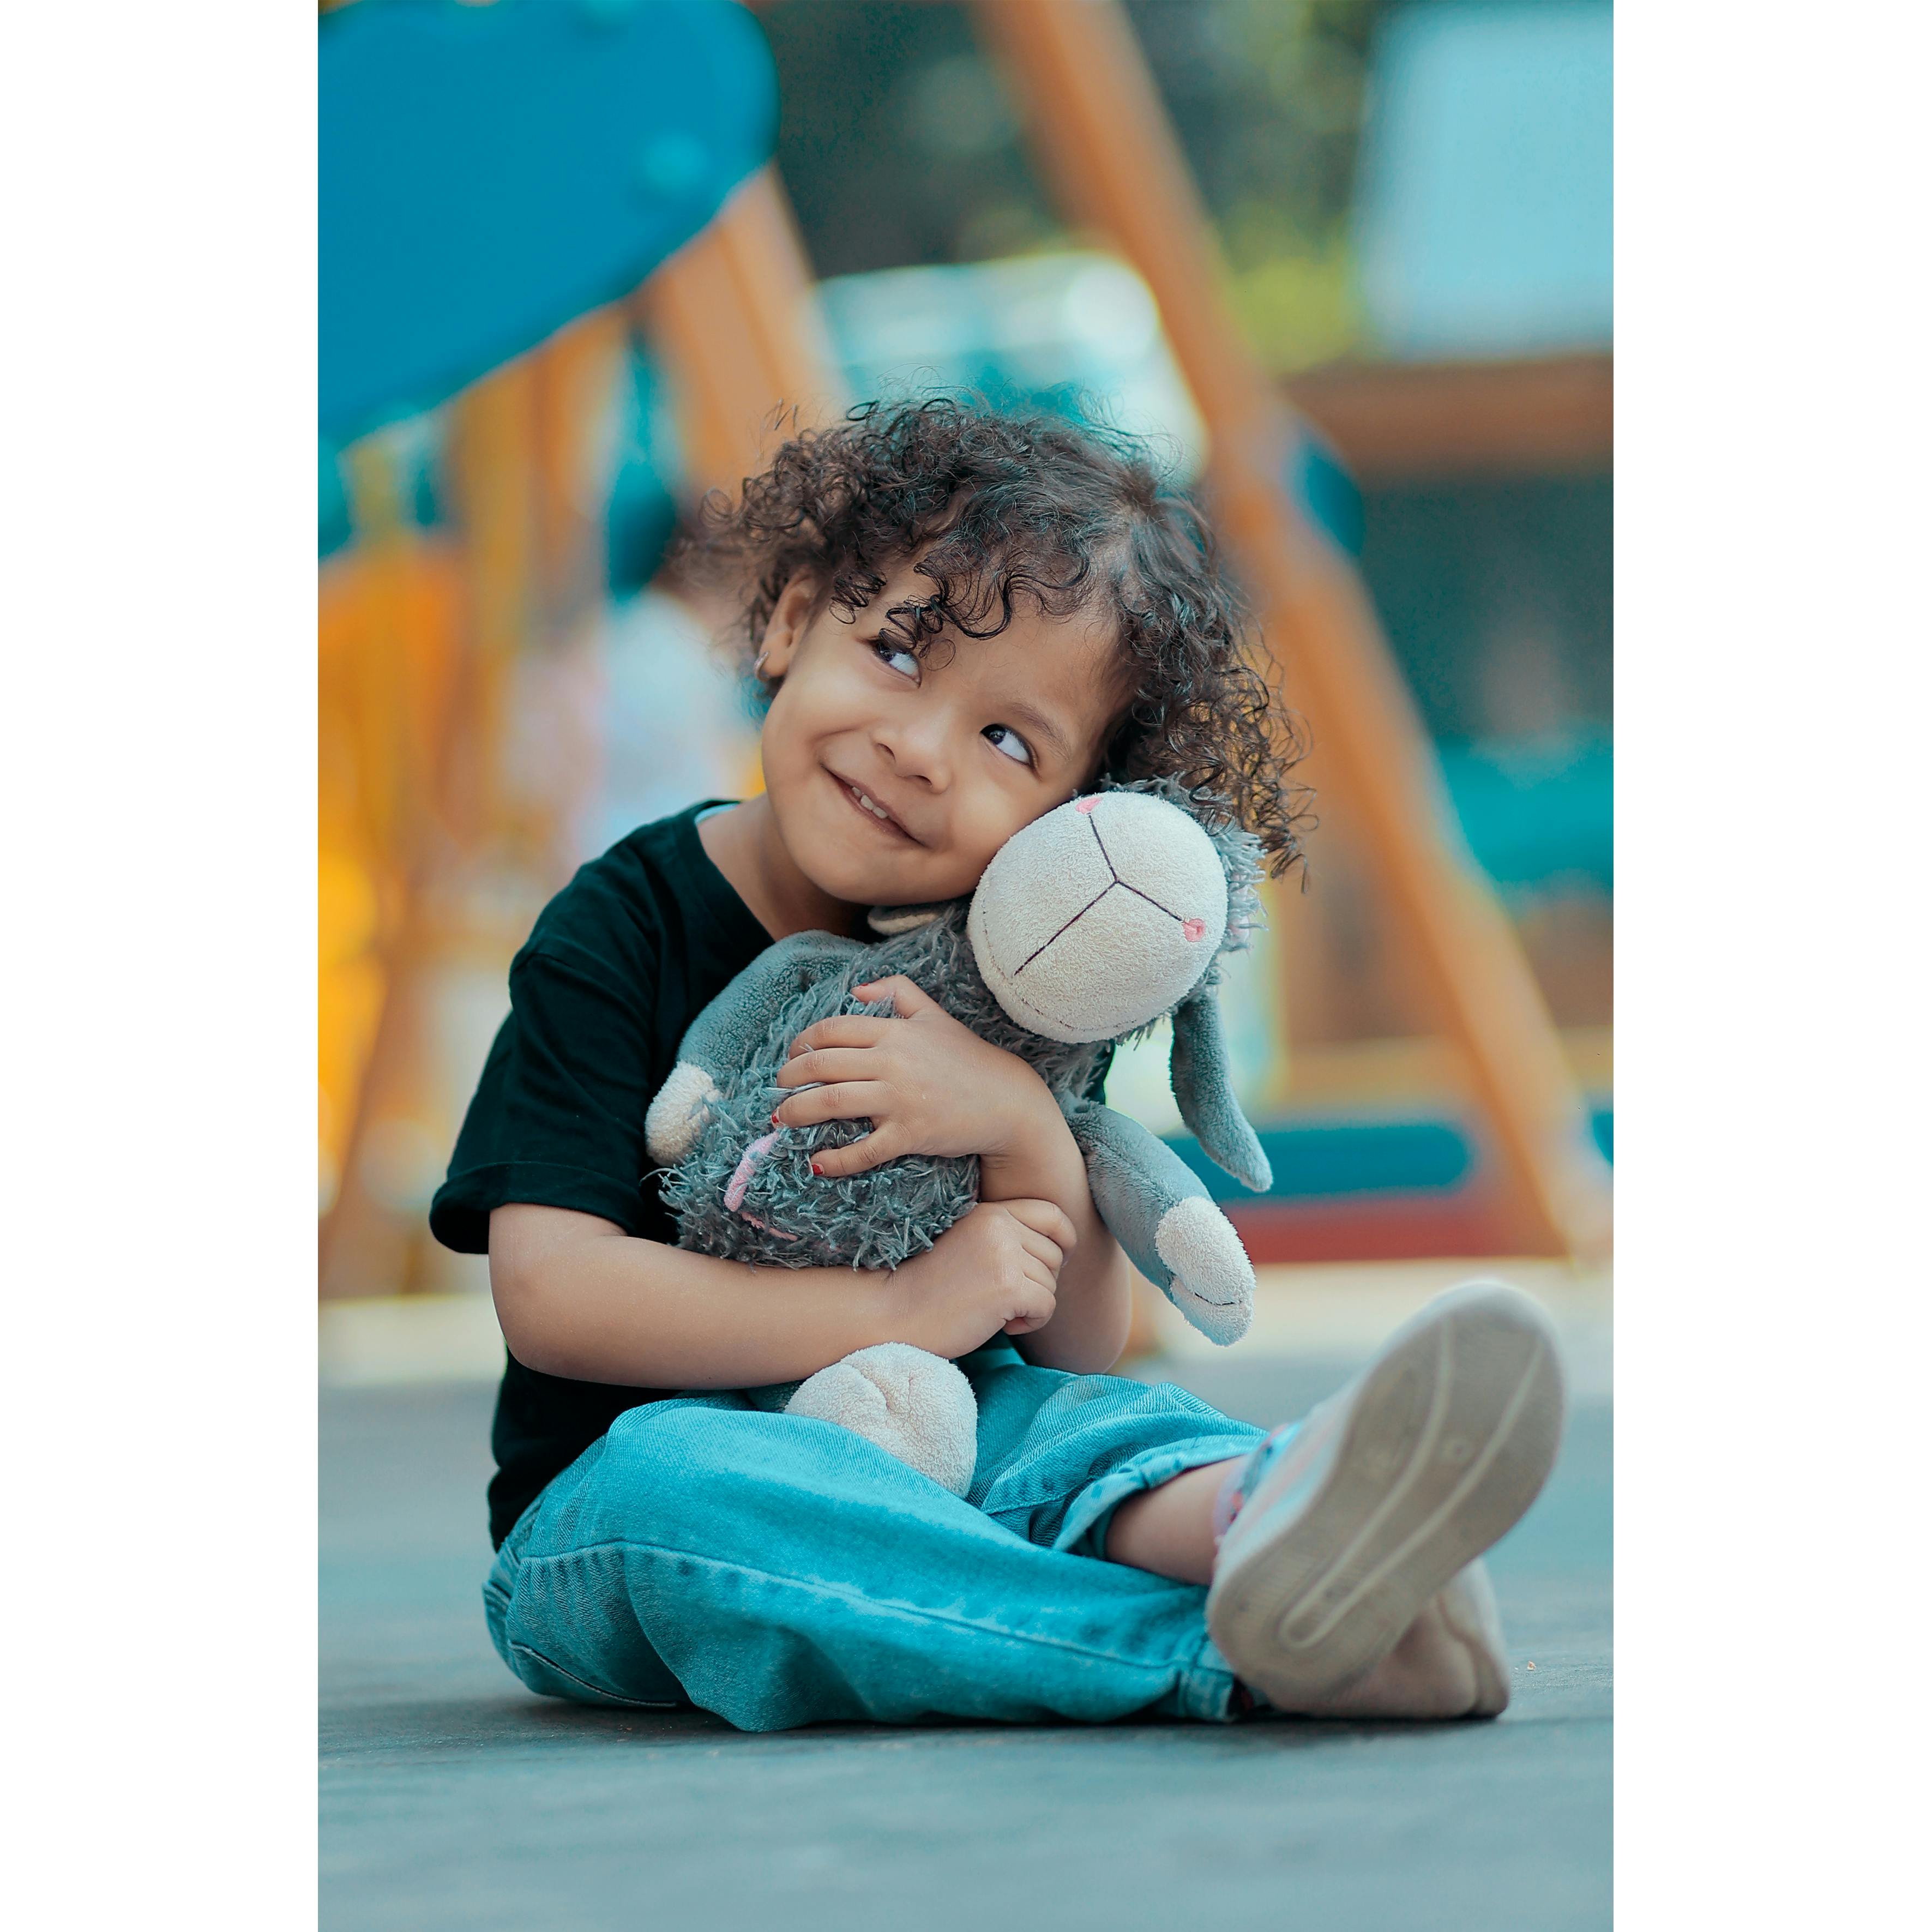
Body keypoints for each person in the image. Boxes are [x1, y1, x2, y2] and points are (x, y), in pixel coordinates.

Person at [430, 399, 1565, 1732]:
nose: (920, 749)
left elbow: (1081, 1336)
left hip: (942, 1453)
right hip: (624, 1523)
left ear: (1077, 818)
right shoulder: (618, 921)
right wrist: (901, 1305)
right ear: (792, 615)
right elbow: (554, 1294)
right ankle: (1239, 1645)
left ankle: (1272, 1511)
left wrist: (1024, 1124)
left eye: (1007, 742)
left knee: (1083, 1422)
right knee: (680, 1481)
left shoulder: (1010, 971)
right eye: (899, 650)